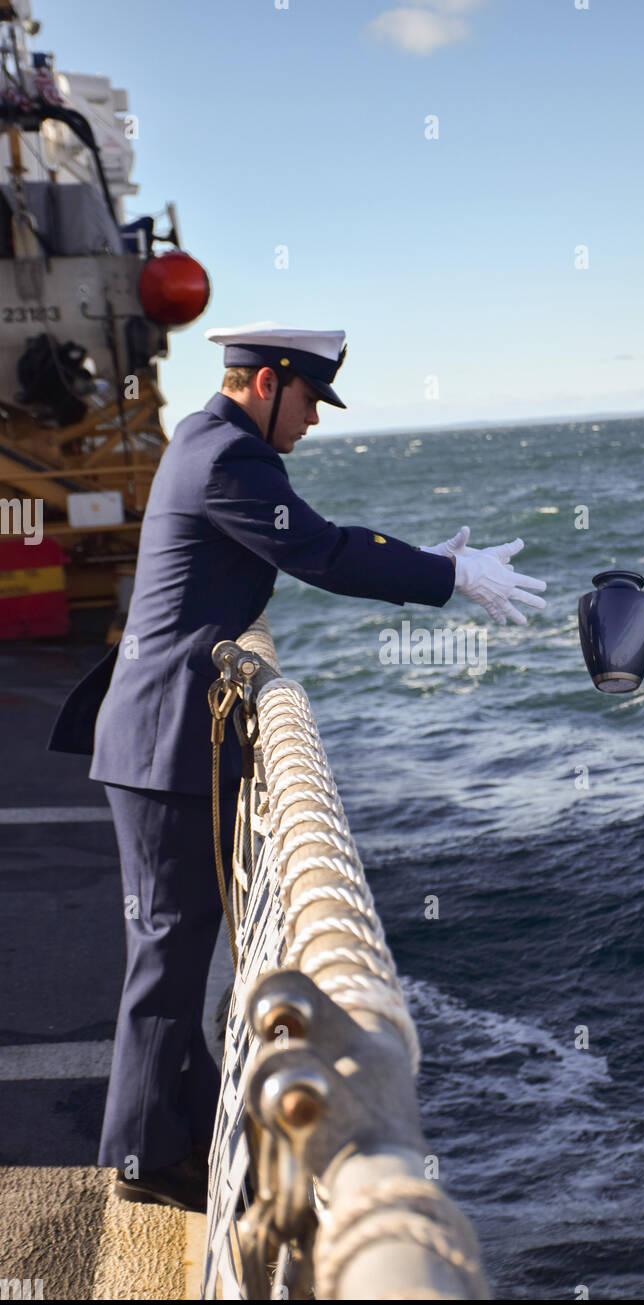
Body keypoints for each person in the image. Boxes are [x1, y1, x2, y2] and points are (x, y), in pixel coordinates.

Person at [47, 322, 547, 1212]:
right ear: (268, 381)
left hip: (161, 733)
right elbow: (317, 551)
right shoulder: (229, 459)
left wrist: (427, 558)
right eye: (311, 398)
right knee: (166, 956)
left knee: (173, 948)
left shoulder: (208, 443)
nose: (314, 420)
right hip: (166, 740)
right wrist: (446, 575)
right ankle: (138, 1158)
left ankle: (177, 1132)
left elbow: (311, 540)